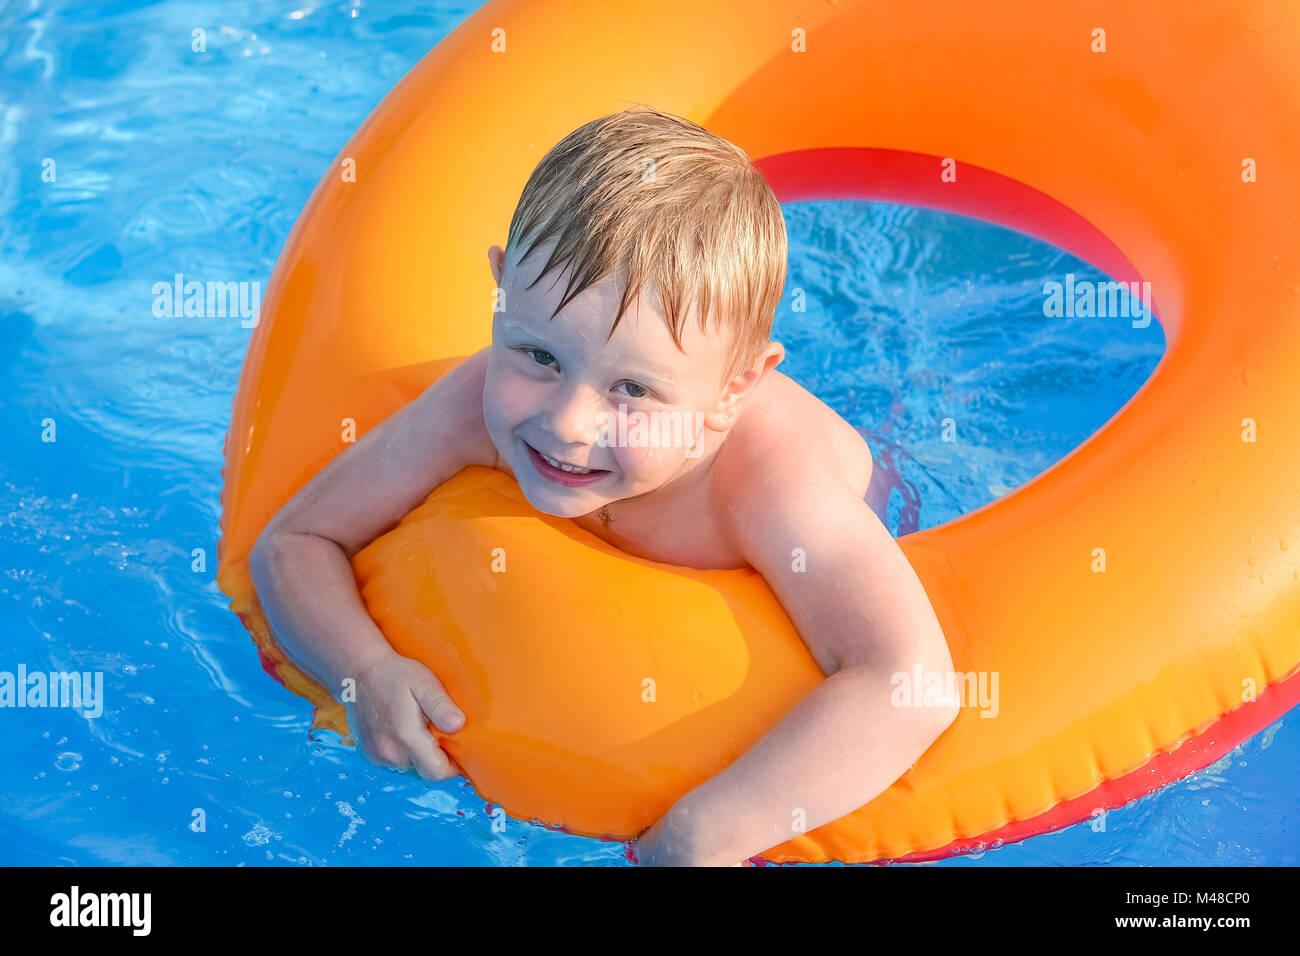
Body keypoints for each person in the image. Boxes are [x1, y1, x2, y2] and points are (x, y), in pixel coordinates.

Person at [250, 105, 957, 866]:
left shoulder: (769, 490)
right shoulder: (472, 410)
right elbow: (296, 540)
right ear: (498, 295)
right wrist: (363, 671)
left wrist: (700, 834)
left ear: (735, 389)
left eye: (633, 390)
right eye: (540, 356)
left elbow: (911, 681)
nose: (568, 424)